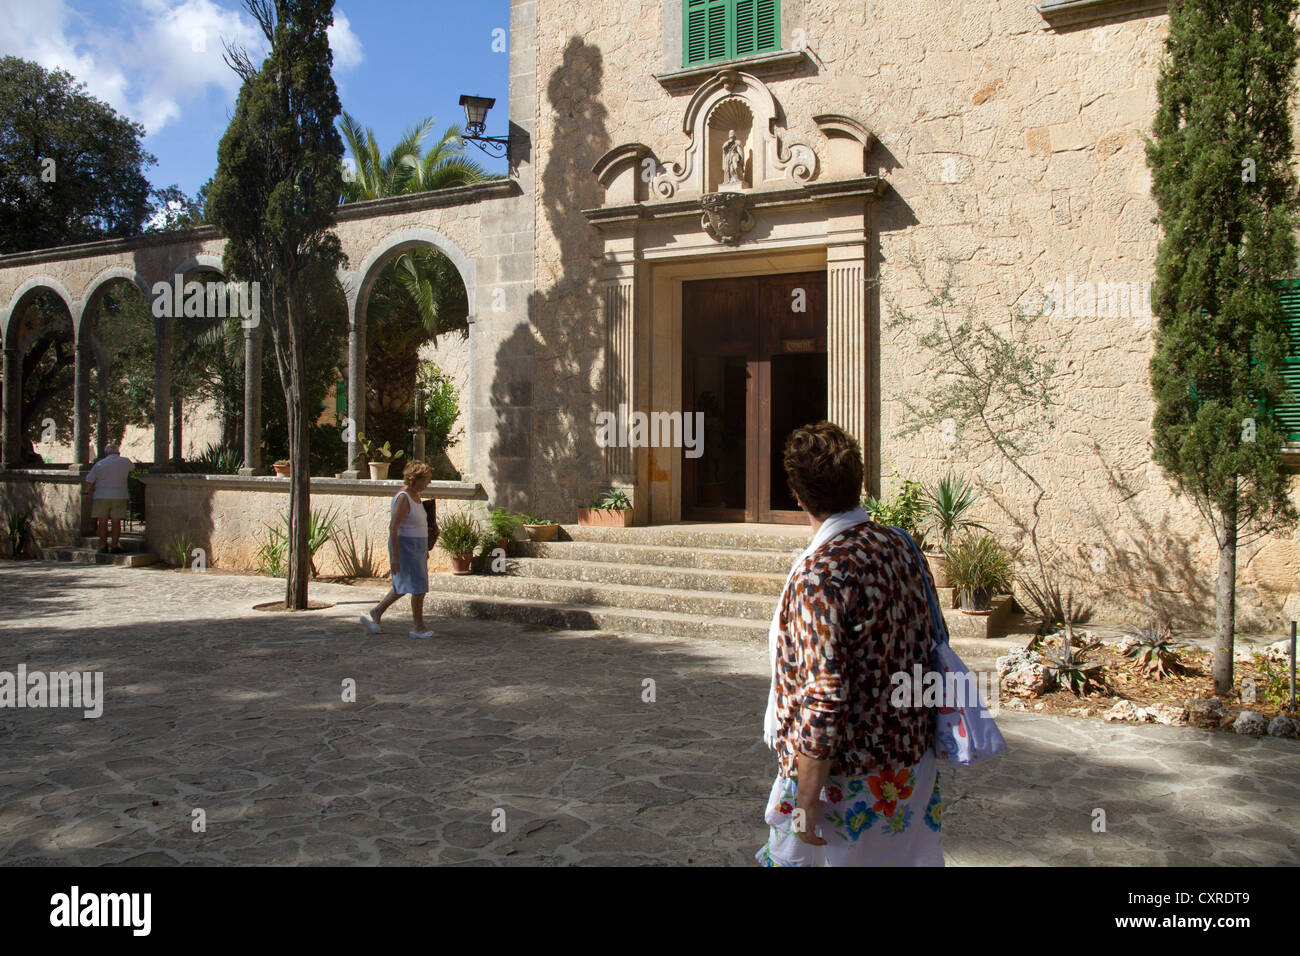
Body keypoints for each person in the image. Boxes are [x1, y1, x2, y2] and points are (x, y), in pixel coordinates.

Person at [756, 421, 943, 867]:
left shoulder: (820, 575)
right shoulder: (900, 546)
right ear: (858, 481)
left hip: (846, 778)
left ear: (798, 496)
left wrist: (806, 797)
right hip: (909, 765)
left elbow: (823, 695)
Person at [360, 460, 438, 640]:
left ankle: (377, 611)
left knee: (403, 587)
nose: (429, 482)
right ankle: (418, 627)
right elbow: (393, 527)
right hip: (406, 547)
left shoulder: (416, 496)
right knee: (418, 588)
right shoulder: (404, 497)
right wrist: (395, 556)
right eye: (426, 479)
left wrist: (425, 547)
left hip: (417, 546)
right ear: (415, 479)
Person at [82, 444, 133, 554]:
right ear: (118, 453)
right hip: (119, 494)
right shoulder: (126, 461)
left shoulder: (99, 464)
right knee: (116, 522)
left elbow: (89, 479)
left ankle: (103, 546)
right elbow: (132, 469)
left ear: (106, 454)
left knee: (102, 522)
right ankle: (114, 546)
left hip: (101, 495)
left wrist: (85, 492)